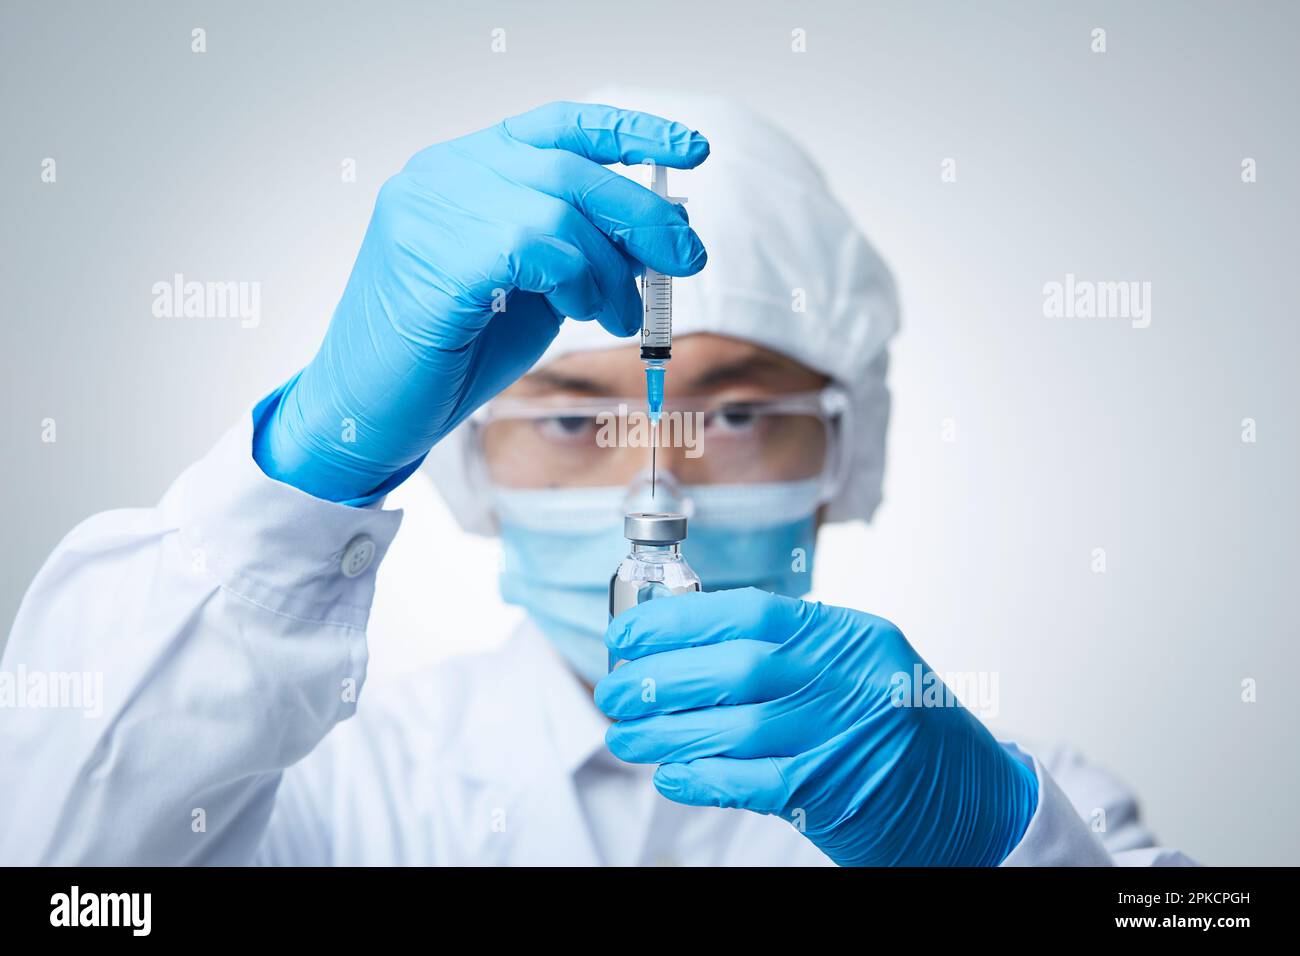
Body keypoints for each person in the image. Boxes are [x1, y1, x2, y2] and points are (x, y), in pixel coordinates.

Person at [0, 93, 1192, 866]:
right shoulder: (326, 793)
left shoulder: (1034, 802)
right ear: (473, 455)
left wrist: (1000, 851)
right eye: (572, 416)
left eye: (733, 412)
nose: (652, 478)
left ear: (845, 447)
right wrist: (317, 449)